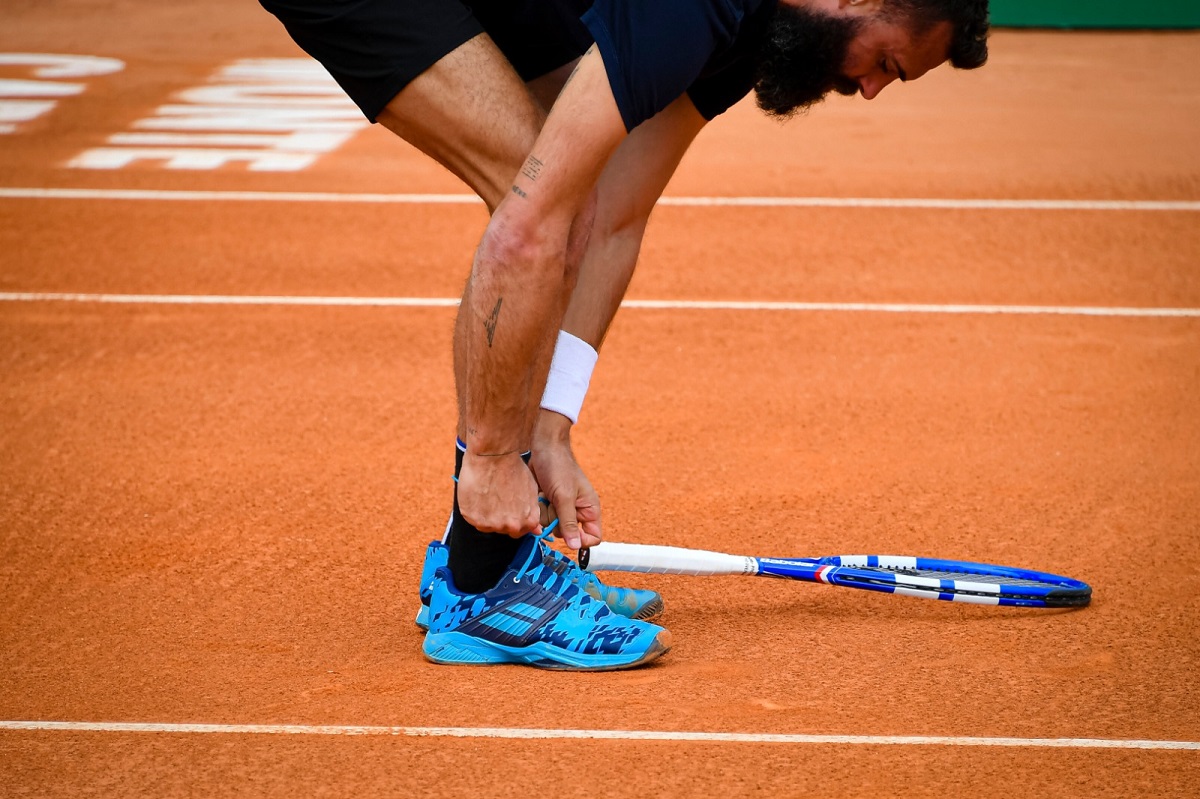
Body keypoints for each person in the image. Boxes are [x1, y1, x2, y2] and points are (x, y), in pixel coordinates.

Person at [258, 0, 989, 670]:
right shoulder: (696, 8)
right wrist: (489, 457)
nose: (868, 90)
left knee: (568, 188)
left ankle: (476, 562)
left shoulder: (758, 30)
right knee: (536, 184)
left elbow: (617, 211)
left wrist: (550, 427)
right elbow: (530, 229)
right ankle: (483, 585)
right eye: (887, 63)